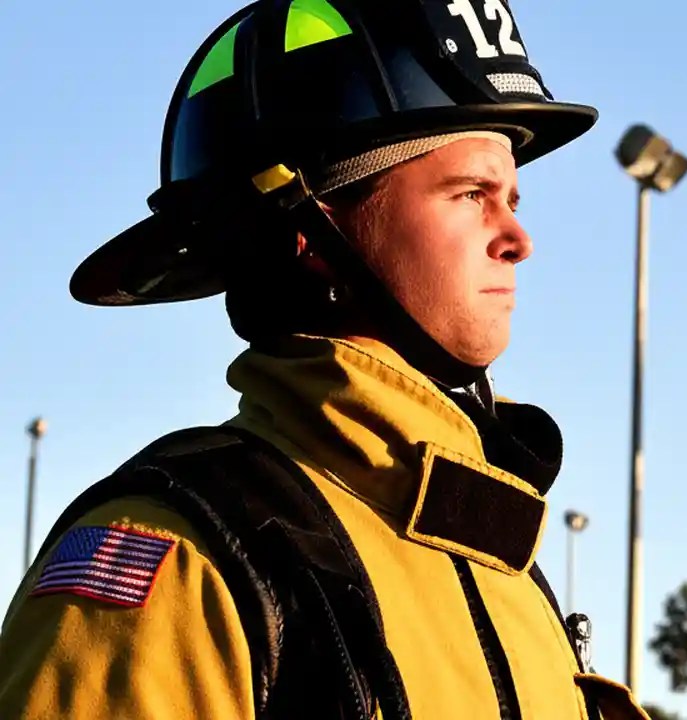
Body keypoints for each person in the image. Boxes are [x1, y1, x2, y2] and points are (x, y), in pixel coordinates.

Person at [0, 0, 647, 718]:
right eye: (471, 194)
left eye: (513, 200)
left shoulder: (511, 579)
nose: (518, 238)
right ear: (309, 229)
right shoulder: (178, 560)